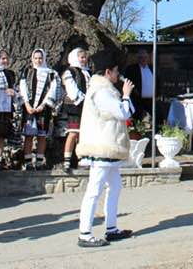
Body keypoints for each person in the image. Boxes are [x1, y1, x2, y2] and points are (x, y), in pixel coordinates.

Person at [75, 50, 134, 248]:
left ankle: (111, 228)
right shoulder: (101, 91)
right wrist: (126, 95)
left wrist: (125, 97)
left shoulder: (107, 90)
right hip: (102, 146)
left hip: (109, 146)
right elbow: (122, 112)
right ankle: (85, 233)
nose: (118, 75)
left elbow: (127, 111)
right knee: (94, 189)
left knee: (115, 187)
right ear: (108, 72)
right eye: (116, 71)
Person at [20, 48, 59, 170]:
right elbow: (22, 88)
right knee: (29, 135)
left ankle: (39, 161)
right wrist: (27, 104)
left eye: (40, 58)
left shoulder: (51, 73)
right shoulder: (27, 71)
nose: (38, 60)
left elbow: (52, 90)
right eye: (36, 58)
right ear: (32, 59)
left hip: (44, 108)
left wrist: (43, 105)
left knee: (42, 135)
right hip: (29, 107)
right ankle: (28, 162)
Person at [62, 48, 90, 171]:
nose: (83, 60)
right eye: (81, 57)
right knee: (73, 133)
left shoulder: (88, 72)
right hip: (75, 106)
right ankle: (67, 161)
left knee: (84, 135)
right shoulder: (70, 71)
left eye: (85, 57)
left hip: (87, 107)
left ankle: (82, 160)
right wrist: (83, 99)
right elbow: (71, 89)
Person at [123, 49, 154, 121]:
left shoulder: (153, 68)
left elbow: (157, 81)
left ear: (148, 58)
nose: (143, 59)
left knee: (154, 118)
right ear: (138, 58)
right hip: (137, 100)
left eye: (145, 57)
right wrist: (135, 90)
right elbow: (127, 81)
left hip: (151, 100)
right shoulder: (131, 69)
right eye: (141, 57)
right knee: (137, 119)